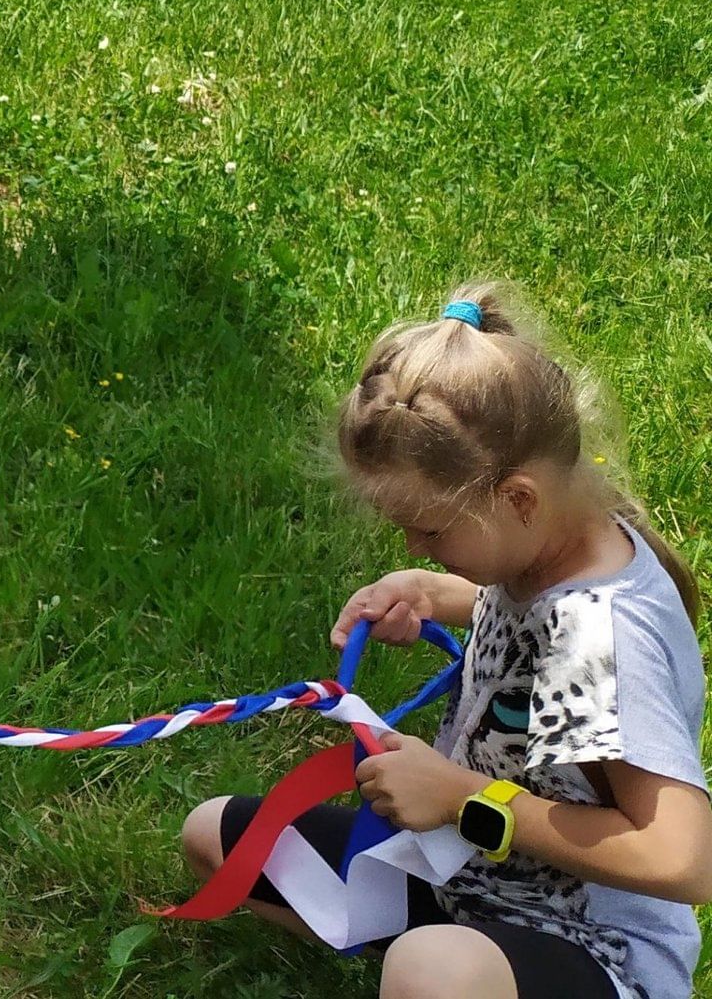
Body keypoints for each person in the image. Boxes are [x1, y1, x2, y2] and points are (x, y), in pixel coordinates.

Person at [181, 286, 712, 999]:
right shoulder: (551, 548)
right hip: (461, 875)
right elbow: (526, 624)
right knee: (217, 837)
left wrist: (465, 797)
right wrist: (434, 592)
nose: (412, 544)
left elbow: (682, 859)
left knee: (428, 969)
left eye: (429, 530)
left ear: (517, 499)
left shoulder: (599, 642)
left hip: (592, 948)